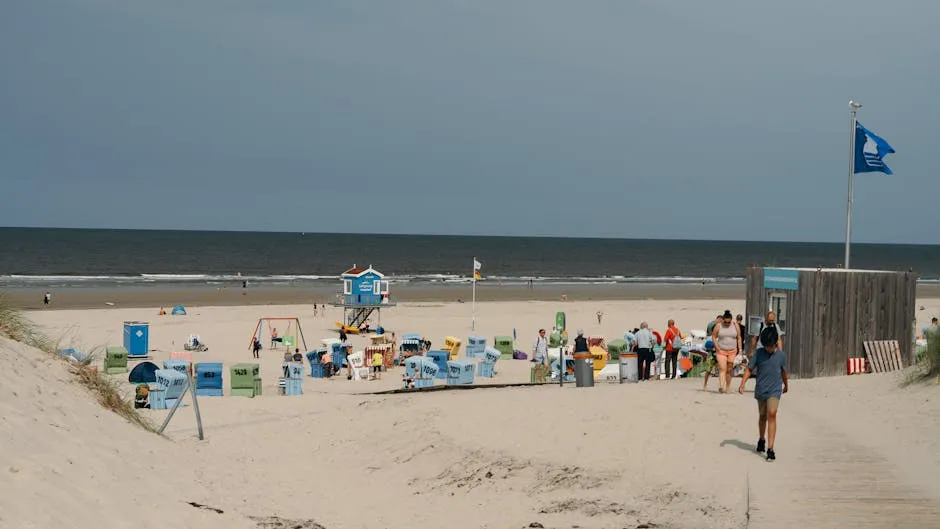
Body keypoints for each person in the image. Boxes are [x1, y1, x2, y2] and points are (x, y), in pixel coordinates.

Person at [739, 326, 789, 462]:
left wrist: (786, 385)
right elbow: (749, 369)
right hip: (761, 389)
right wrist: (742, 383)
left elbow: (784, 372)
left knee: (771, 414)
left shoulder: (781, 356)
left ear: (775, 344)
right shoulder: (759, 353)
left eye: (771, 346)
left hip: (775, 390)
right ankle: (762, 439)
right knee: (762, 417)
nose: (769, 349)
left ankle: (770, 449)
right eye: (767, 346)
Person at [711, 310, 741, 393]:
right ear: (723, 320)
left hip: (732, 351)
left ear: (731, 320)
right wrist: (717, 347)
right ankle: (721, 386)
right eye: (726, 322)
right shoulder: (718, 326)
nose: (727, 324)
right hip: (721, 351)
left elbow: (739, 337)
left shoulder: (735, 325)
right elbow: (713, 336)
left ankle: (727, 387)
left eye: (729, 322)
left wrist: (740, 350)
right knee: (722, 368)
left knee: (729, 370)